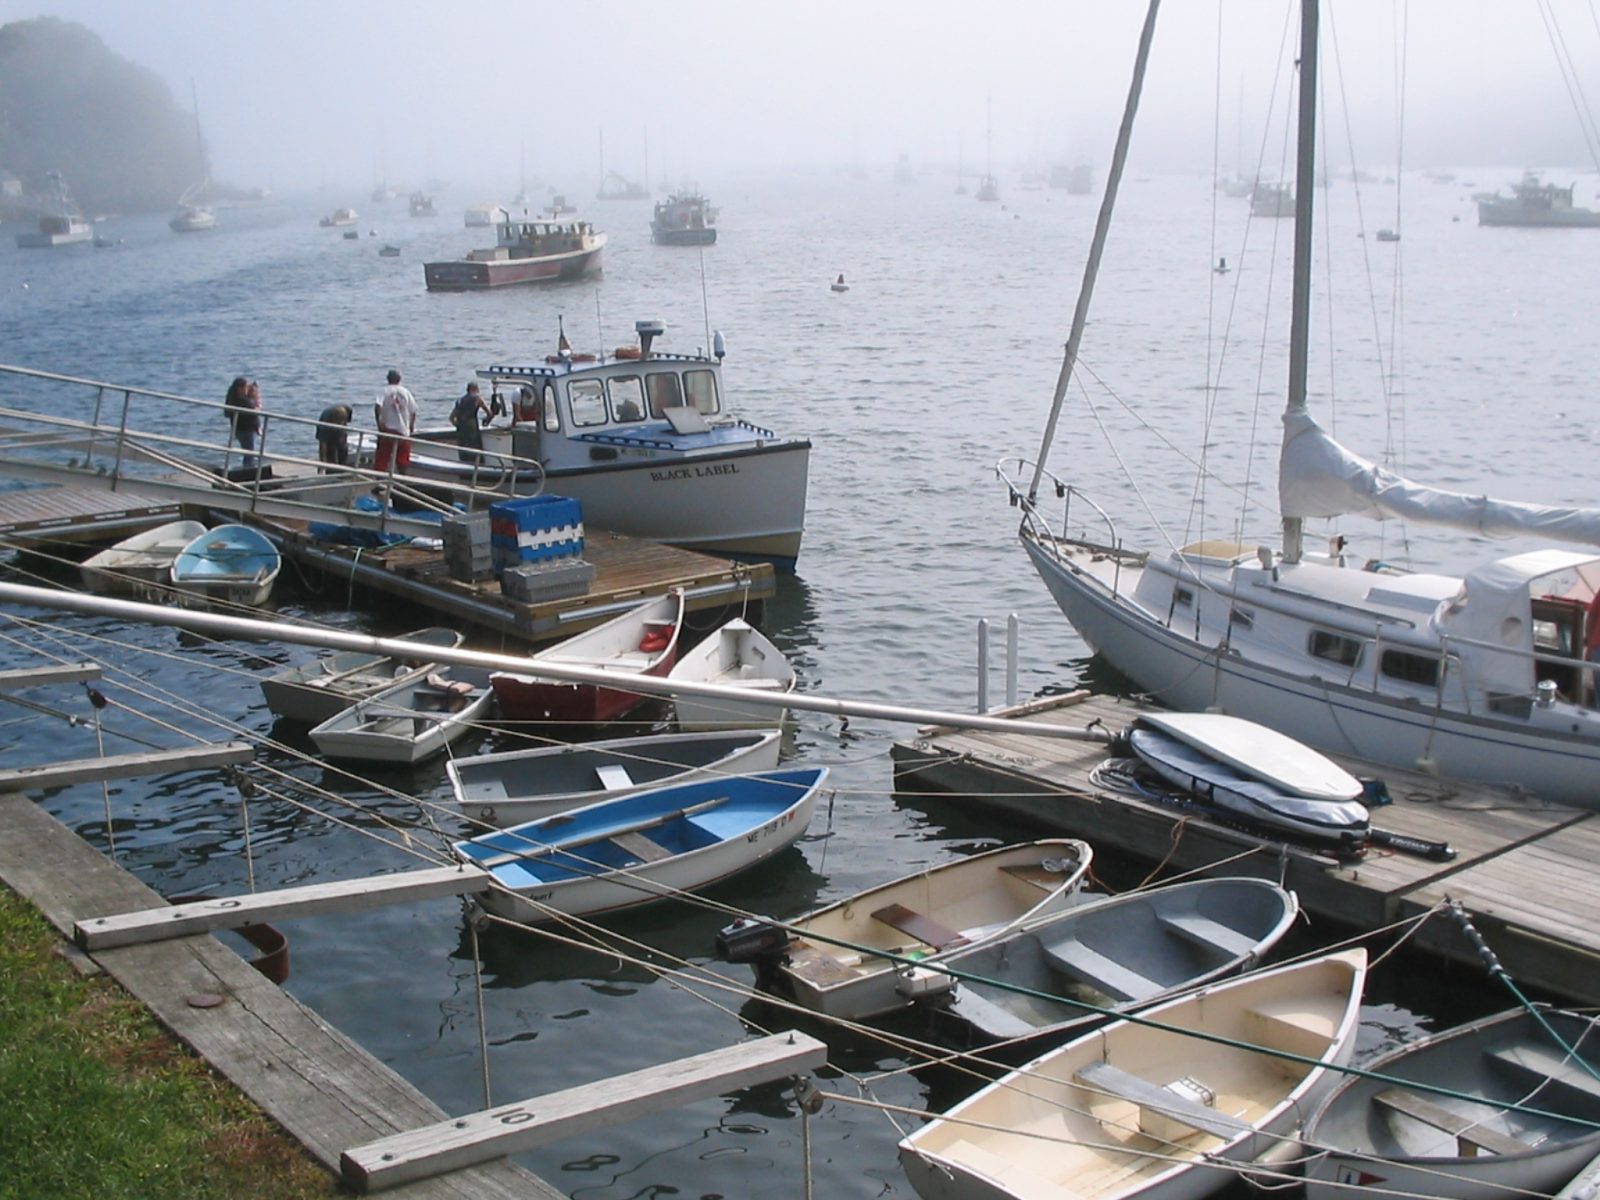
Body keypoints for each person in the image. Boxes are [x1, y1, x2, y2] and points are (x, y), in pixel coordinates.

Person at [373, 368, 417, 475]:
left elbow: (377, 406)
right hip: (403, 431)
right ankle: (402, 481)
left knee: (382, 459)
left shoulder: (384, 390)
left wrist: (379, 423)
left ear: (388, 379)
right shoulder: (406, 392)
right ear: (399, 379)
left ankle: (378, 483)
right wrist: (411, 427)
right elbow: (414, 411)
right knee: (403, 459)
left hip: (388, 429)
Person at [225, 375, 261, 467]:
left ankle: (249, 468)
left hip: (240, 430)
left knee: (249, 452)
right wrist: (256, 401)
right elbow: (254, 408)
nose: (247, 390)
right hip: (245, 430)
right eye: (245, 387)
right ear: (239, 389)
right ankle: (249, 470)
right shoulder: (241, 401)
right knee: (249, 453)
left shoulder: (232, 399)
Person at [451, 382, 490, 461]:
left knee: (464, 452)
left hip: (461, 429)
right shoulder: (477, 398)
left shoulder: (459, 401)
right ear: (475, 389)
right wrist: (486, 421)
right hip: (472, 428)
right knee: (475, 452)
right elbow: (489, 413)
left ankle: (464, 470)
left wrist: (458, 425)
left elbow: (451, 418)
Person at [316, 403, 353, 467]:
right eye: (338, 423)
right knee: (330, 448)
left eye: (342, 422)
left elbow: (347, 422)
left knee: (343, 447)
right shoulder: (324, 426)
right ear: (333, 421)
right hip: (327, 428)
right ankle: (331, 469)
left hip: (340, 417)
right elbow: (322, 444)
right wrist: (322, 462)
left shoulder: (348, 409)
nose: (340, 424)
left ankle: (343, 466)